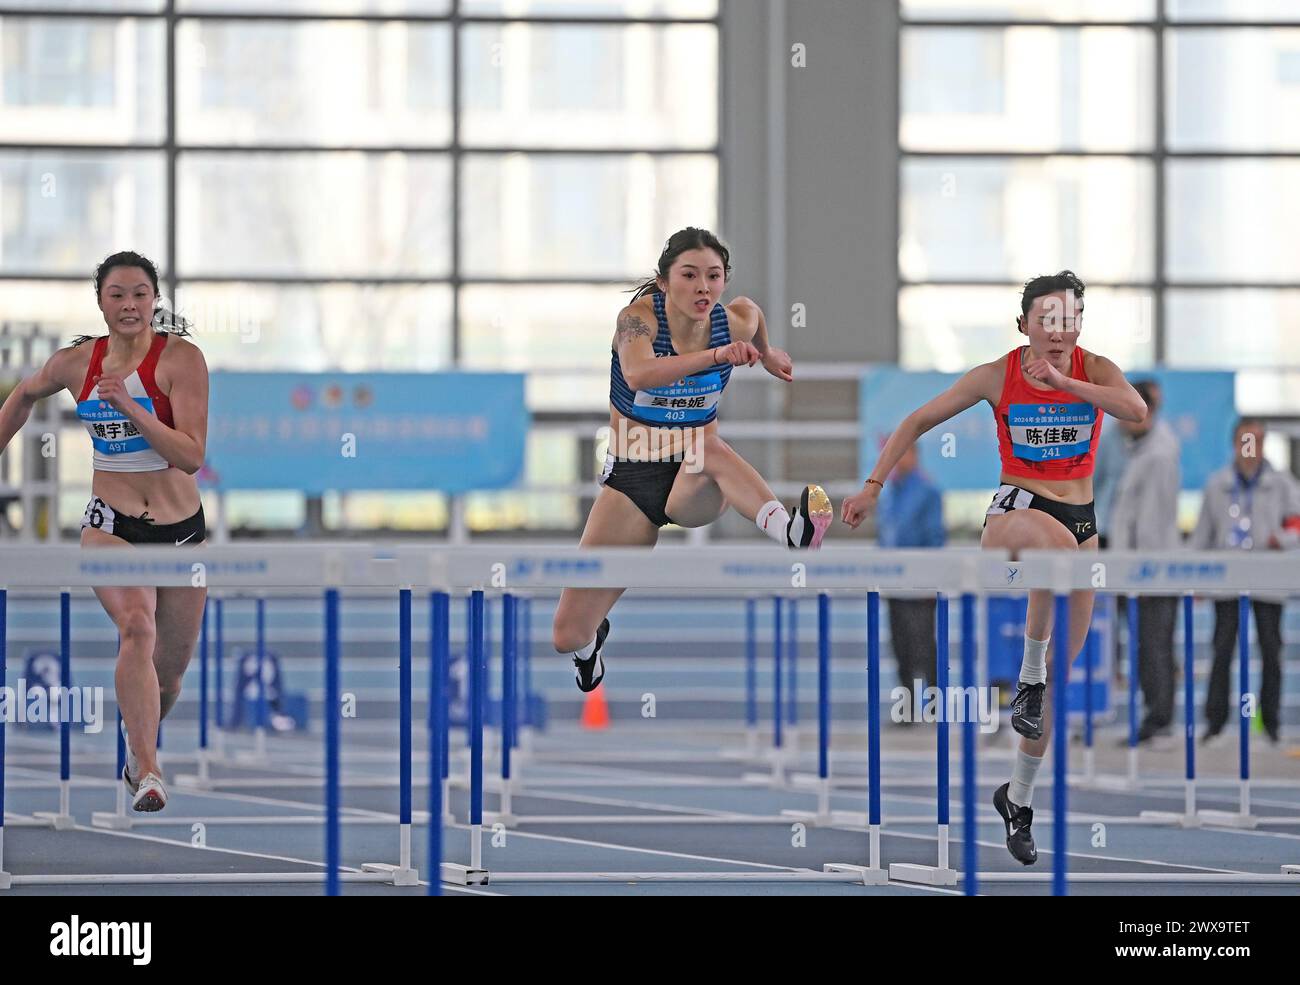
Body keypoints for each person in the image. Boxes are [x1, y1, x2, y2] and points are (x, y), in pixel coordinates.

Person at [842, 270, 1146, 865]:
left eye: (1067, 320)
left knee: (1059, 679)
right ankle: (1027, 676)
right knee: (1051, 569)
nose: (1056, 331)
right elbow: (916, 421)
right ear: (1024, 324)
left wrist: (1065, 383)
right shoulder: (996, 375)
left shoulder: (1095, 369)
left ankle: (1018, 798)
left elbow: (1135, 410)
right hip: (1016, 513)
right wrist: (873, 487)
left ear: (1078, 325)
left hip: (1081, 527)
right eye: (1045, 320)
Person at [552, 227, 832, 693]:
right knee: (566, 634)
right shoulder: (637, 321)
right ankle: (590, 646)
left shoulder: (733, 320)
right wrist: (716, 355)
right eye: (689, 275)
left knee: (709, 447)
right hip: (632, 481)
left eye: (713, 276)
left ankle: (790, 531)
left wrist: (766, 354)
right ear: (664, 282)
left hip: (695, 478)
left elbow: (754, 313)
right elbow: (638, 373)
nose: (703, 287)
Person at [0, 251, 210, 811]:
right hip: (110, 525)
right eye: (117, 294)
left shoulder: (181, 360)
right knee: (136, 627)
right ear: (100, 301)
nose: (129, 305)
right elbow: (24, 394)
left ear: (155, 301)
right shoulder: (76, 363)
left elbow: (191, 457)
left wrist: (133, 407)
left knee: (168, 678)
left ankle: (136, 740)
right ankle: (149, 769)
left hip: (182, 534)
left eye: (140, 294)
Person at [1191, 418, 1300, 745]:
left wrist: (1281, 539)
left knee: (1271, 651)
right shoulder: (1218, 484)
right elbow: (1202, 535)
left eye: (1255, 441)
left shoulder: (1282, 484)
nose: (1249, 448)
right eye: (1244, 441)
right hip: (1228, 578)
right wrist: (1193, 576)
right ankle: (1215, 723)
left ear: (1264, 445)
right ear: (1234, 444)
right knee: (1222, 650)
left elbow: (1296, 524)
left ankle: (1271, 723)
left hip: (1267, 578)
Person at [1107, 380, 1181, 742]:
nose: (1118, 419)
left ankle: (1159, 722)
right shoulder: (1140, 450)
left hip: (1149, 573)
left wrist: (1138, 574)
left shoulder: (1158, 455)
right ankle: (1155, 719)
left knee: (1154, 648)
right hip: (1137, 570)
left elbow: (1151, 523)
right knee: (1148, 647)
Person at [875, 444, 945, 706]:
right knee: (900, 645)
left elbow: (934, 538)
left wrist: (929, 580)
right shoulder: (889, 493)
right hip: (894, 583)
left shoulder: (928, 491)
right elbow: (884, 537)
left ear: (915, 455)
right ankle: (908, 706)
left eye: (901, 453)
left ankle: (936, 705)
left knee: (924, 645)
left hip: (920, 584)